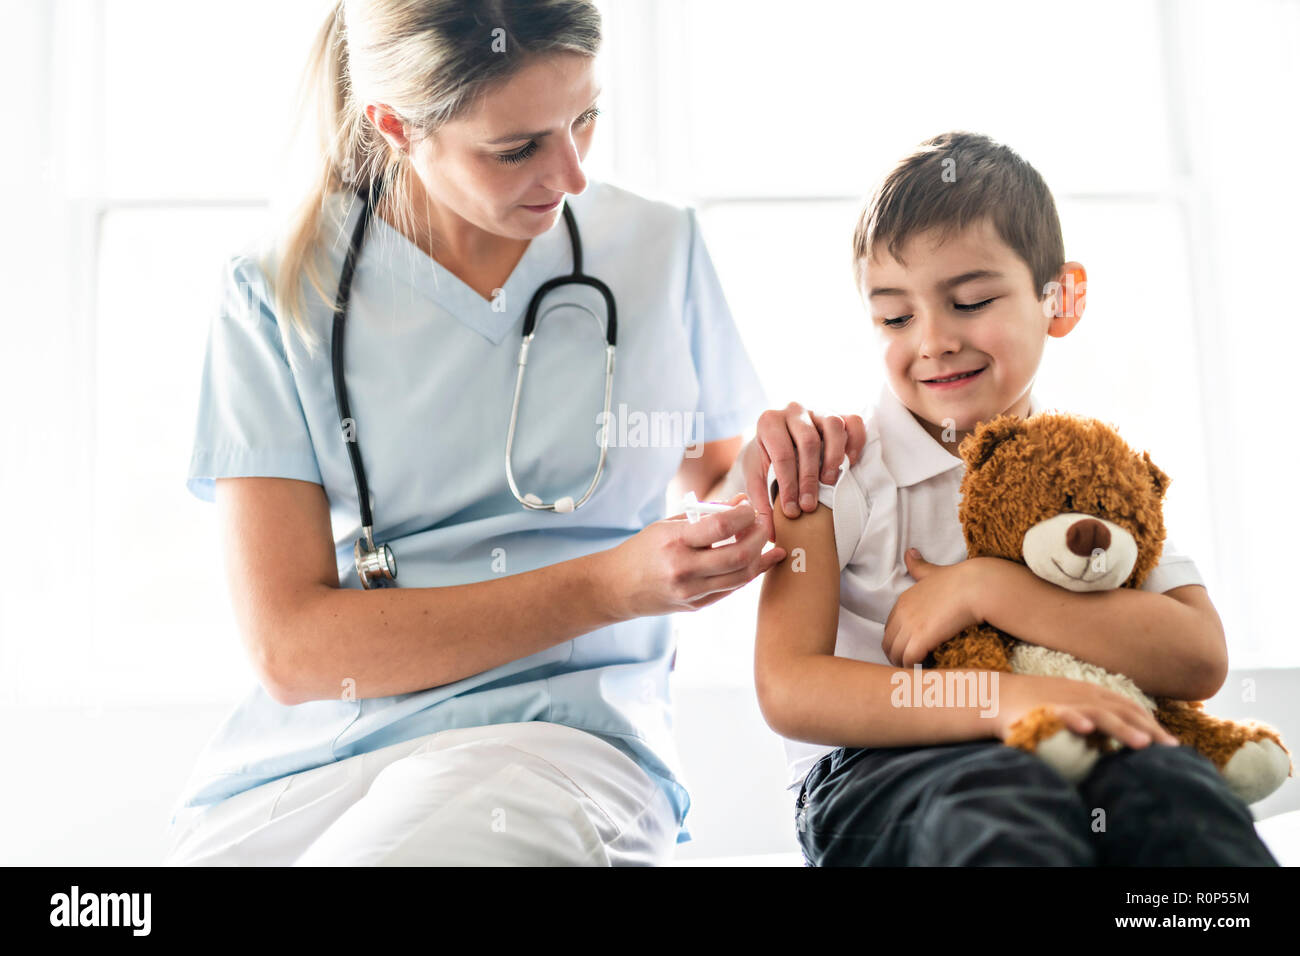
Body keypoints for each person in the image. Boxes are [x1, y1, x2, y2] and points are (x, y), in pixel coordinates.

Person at [162, 0, 866, 867]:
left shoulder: (655, 246)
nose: (570, 173)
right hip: (305, 765)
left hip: (558, 740)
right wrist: (610, 583)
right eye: (518, 147)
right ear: (395, 126)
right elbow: (293, 650)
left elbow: (717, 479)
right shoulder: (276, 291)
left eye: (585, 118)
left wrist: (758, 479)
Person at [754, 131, 1279, 866]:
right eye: (896, 318)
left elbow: (1198, 659)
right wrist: (1000, 702)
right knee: (996, 809)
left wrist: (989, 590)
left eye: (969, 301)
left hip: (1087, 738)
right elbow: (789, 687)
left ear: (1061, 299)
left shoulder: (1099, 473)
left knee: (1180, 798)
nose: (932, 340)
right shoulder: (829, 470)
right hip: (882, 766)